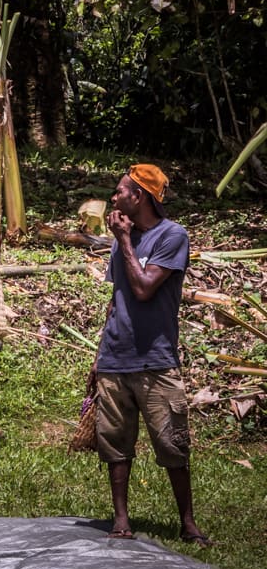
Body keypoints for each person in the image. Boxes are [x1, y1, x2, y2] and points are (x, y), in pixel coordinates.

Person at [96, 164, 210, 546]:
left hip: (156, 360)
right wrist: (99, 356)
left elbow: (144, 288)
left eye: (120, 192)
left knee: (172, 444)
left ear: (139, 197)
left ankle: (188, 522)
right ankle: (121, 518)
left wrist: (125, 241)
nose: (114, 198)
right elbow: (118, 300)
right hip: (116, 356)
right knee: (115, 444)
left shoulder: (172, 236)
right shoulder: (120, 239)